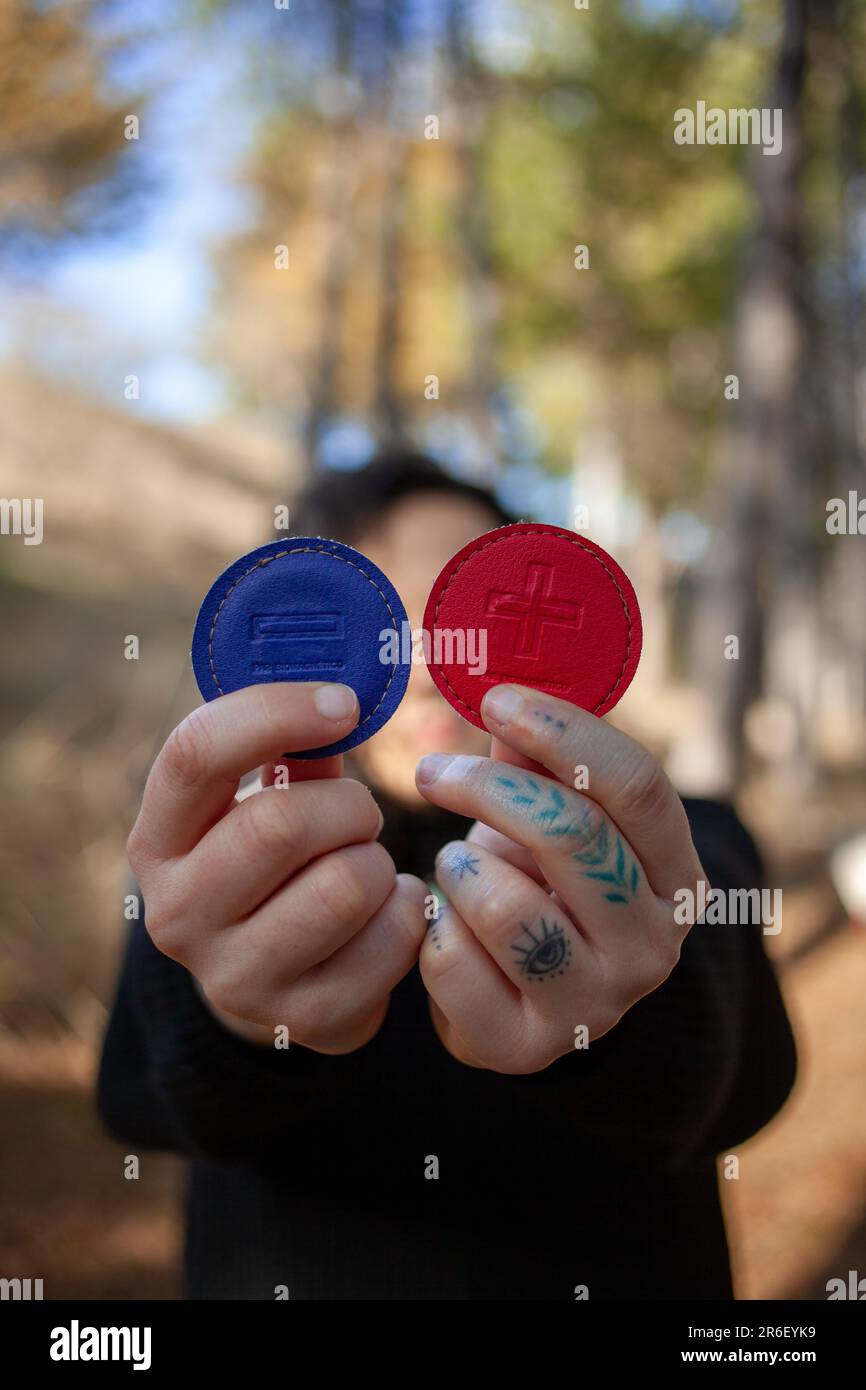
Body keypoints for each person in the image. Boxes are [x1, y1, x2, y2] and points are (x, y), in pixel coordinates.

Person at [97, 451, 797, 1300]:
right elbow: (137, 1099)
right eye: (379, 630)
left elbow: (739, 1079)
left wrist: (618, 1015)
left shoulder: (676, 836)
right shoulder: (221, 862)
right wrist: (235, 1018)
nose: (426, 666)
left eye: (462, 617)